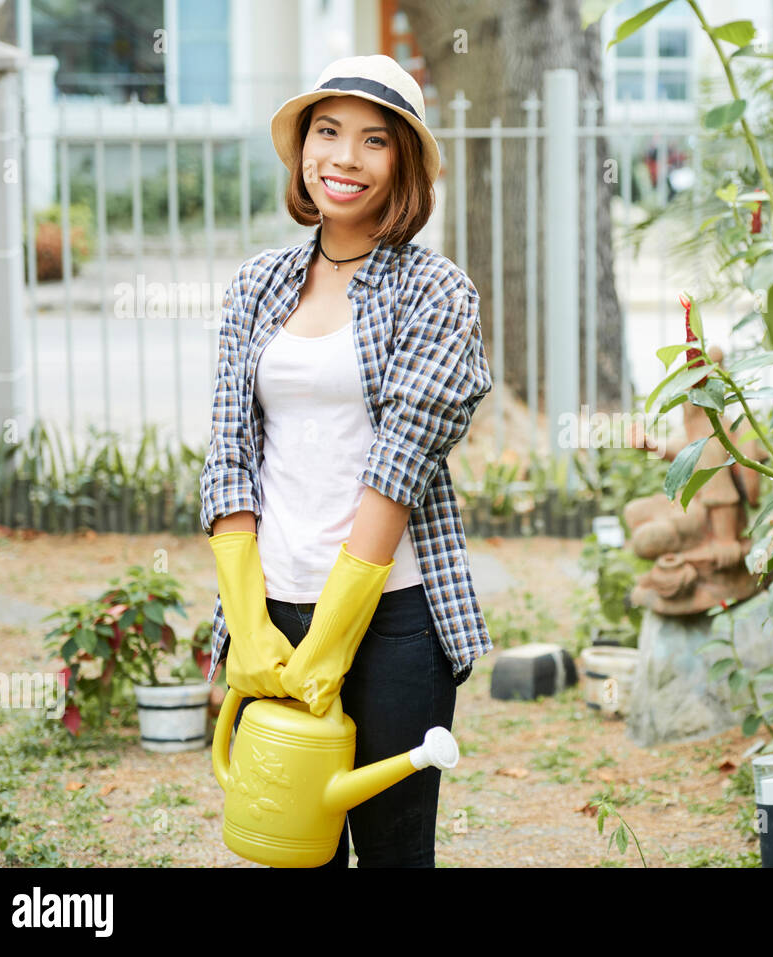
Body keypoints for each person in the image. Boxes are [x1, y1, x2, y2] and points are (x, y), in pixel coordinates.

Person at [199, 55, 493, 868]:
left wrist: (332, 634)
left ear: (402, 163)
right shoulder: (259, 286)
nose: (344, 159)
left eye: (373, 141)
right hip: (271, 606)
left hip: (393, 618)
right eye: (326, 132)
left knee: (395, 855)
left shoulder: (437, 293)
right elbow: (228, 450)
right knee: (293, 849)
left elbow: (400, 468)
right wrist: (248, 619)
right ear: (302, 150)